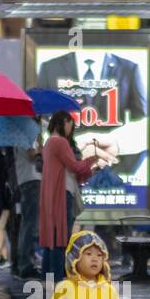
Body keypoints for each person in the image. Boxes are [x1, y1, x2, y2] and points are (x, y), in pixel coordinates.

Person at [39, 111, 100, 280]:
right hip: (62, 193)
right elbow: (74, 167)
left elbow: (70, 169)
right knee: (61, 238)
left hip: (54, 193)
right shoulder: (59, 142)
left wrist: (89, 168)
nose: (70, 128)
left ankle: (48, 276)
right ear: (63, 122)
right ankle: (58, 277)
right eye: (70, 124)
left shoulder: (49, 142)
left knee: (52, 237)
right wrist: (90, 160)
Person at [11, 128, 43, 277]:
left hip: (28, 181)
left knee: (27, 224)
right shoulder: (25, 133)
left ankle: (23, 263)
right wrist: (41, 152)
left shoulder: (23, 133)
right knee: (29, 224)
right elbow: (32, 156)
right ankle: (25, 264)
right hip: (31, 181)